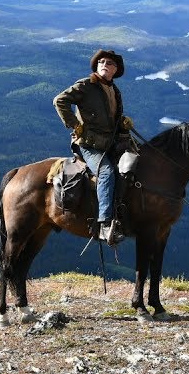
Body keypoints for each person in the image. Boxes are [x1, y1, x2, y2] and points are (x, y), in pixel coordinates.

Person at [53, 48, 134, 245]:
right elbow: (59, 100)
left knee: (135, 162)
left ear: (116, 70)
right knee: (106, 171)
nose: (105, 65)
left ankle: (124, 215)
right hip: (88, 145)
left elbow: (109, 117)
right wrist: (75, 125)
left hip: (110, 142)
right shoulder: (86, 85)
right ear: (97, 66)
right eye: (102, 62)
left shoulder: (113, 89)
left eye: (110, 63)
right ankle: (105, 224)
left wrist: (122, 123)